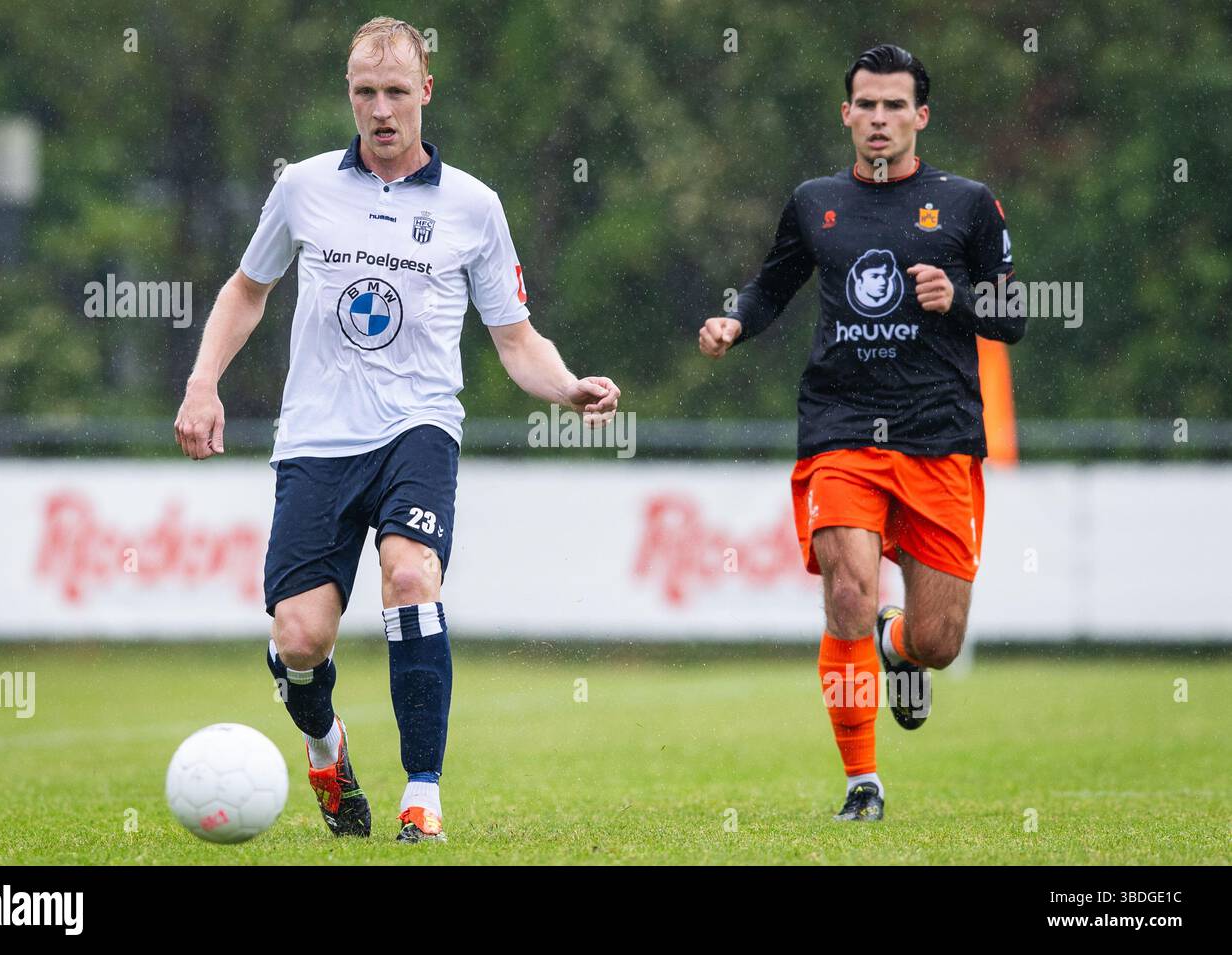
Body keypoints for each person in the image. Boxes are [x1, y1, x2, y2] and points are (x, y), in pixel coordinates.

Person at [174, 17, 620, 843]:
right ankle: (323, 743)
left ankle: (423, 792)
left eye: (396, 92)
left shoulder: (473, 207)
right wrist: (203, 383)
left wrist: (566, 386)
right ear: (349, 93)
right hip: (315, 437)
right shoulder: (303, 187)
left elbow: (515, 337)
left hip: (419, 427)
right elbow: (246, 290)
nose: (380, 111)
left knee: (411, 576)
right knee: (300, 638)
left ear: (426, 93)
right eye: (364, 92)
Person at [697, 44, 1023, 822]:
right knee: (846, 587)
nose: (879, 119)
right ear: (847, 114)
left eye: (894, 106)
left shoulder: (970, 203)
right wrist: (734, 321)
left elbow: (1014, 314)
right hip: (840, 427)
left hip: (939, 436)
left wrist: (960, 297)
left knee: (940, 638)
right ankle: (862, 782)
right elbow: (774, 283)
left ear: (921, 116)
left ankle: (898, 645)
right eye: (866, 106)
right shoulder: (814, 202)